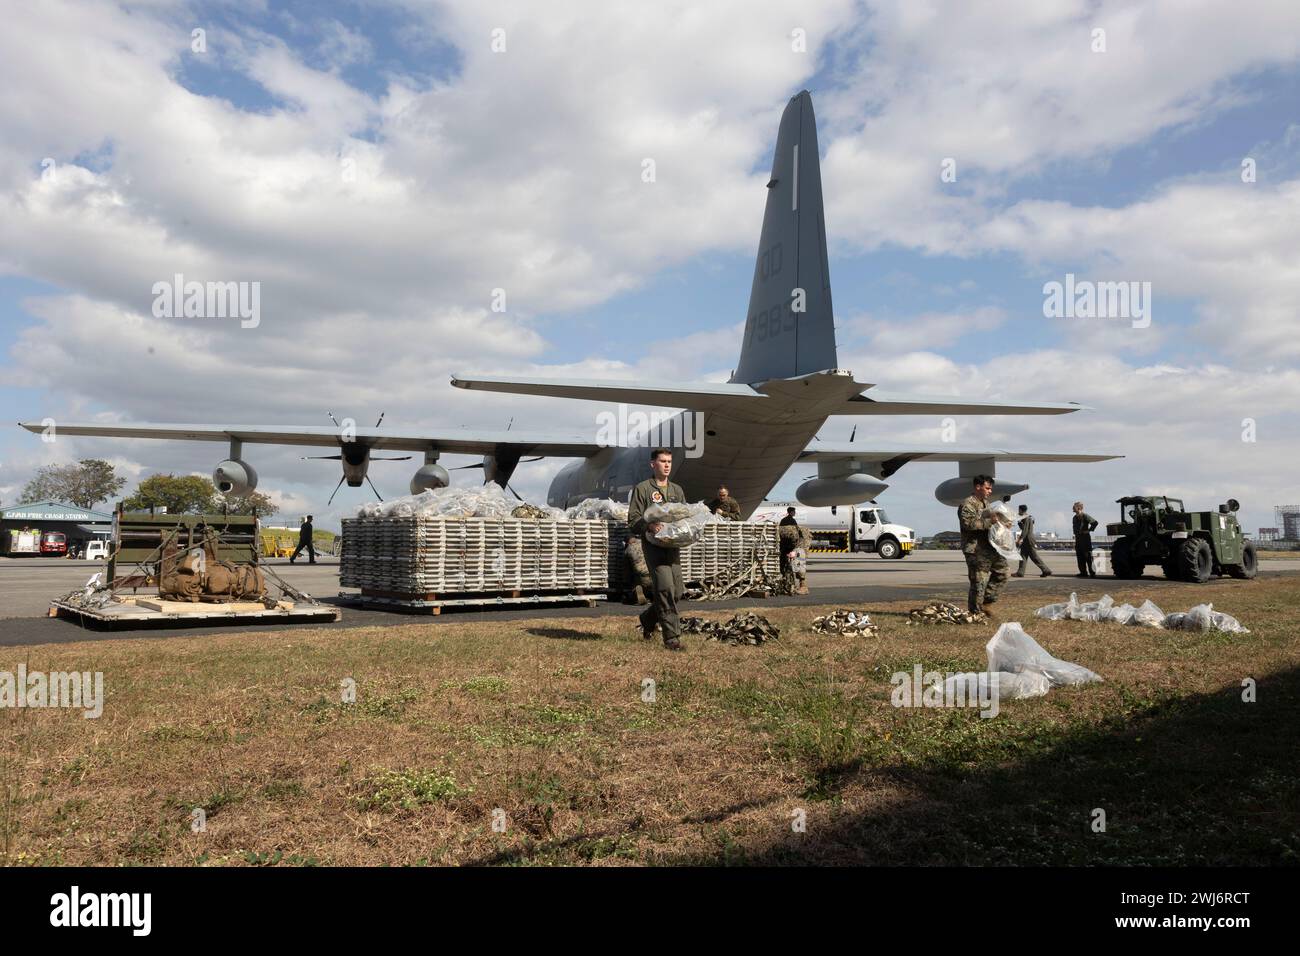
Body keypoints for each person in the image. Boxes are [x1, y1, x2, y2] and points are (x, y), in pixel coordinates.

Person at [627, 449, 687, 650]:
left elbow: (684, 515)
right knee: (665, 589)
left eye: (669, 461)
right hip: (653, 546)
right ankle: (672, 638)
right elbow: (633, 519)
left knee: (677, 591)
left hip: (673, 546)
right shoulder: (643, 489)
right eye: (663, 461)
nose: (667, 465)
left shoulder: (677, 490)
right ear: (653, 464)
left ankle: (647, 618)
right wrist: (649, 526)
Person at [958, 475, 1009, 618]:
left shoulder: (986, 503)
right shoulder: (967, 504)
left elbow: (992, 522)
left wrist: (1003, 523)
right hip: (974, 548)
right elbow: (968, 525)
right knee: (979, 581)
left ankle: (987, 602)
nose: (990, 491)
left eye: (991, 488)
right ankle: (975, 613)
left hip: (989, 546)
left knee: (1003, 572)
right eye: (987, 488)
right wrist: (990, 522)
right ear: (978, 487)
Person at [1012, 503, 1052, 578]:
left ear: (1021, 510)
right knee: (1022, 556)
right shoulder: (1026, 518)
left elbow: (1025, 530)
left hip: (1028, 539)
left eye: (1019, 510)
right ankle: (1020, 572)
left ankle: (1046, 570)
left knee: (1034, 556)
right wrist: (1019, 521)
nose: (1018, 512)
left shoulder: (1027, 518)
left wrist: (1019, 539)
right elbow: (1024, 528)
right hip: (1027, 540)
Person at [1072, 501, 1098, 578]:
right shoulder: (1074, 517)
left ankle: (1092, 572)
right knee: (1079, 556)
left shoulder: (1085, 516)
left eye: (1074, 506)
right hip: (1078, 538)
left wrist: (1089, 530)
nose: (1073, 508)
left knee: (1088, 556)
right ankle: (1083, 572)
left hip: (1085, 538)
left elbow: (1095, 523)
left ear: (1079, 508)